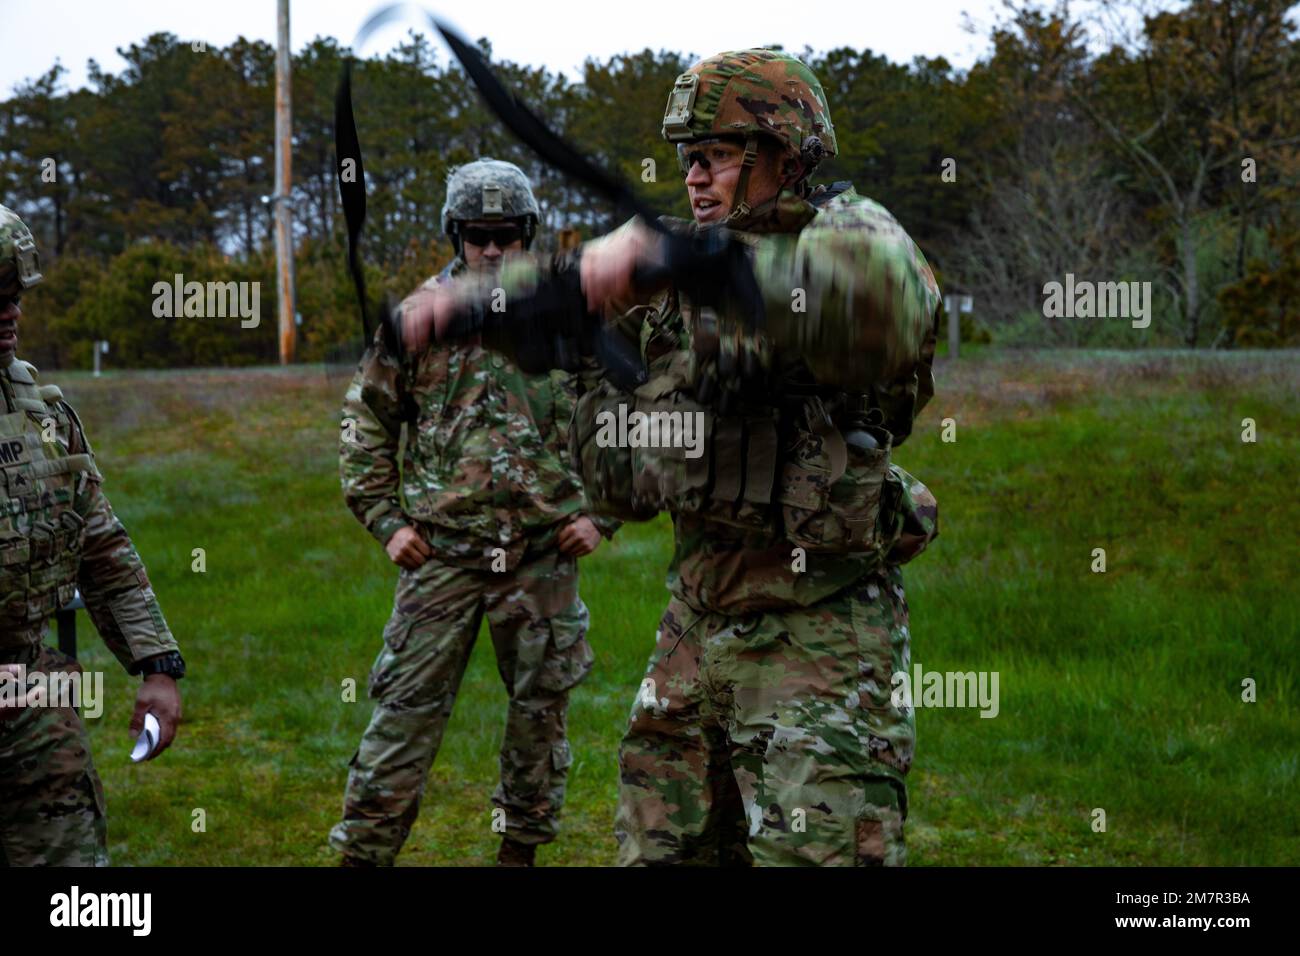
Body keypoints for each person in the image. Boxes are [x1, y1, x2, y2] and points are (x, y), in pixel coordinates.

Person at [405, 50, 942, 866]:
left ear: (785, 155)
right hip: (693, 628)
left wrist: (663, 266)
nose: (695, 178)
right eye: (689, 159)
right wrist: (507, 311)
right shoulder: (668, 271)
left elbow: (880, 304)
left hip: (821, 638)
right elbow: (622, 476)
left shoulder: (851, 235)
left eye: (718, 156)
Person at [330, 159, 616, 867]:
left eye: (507, 235)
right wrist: (384, 519)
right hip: (444, 555)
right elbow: (367, 421)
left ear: (529, 234)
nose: (493, 250)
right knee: (402, 719)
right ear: (456, 235)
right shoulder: (417, 318)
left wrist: (602, 512)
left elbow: (619, 415)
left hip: (542, 555)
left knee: (539, 718)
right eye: (479, 236)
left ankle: (520, 851)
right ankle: (364, 856)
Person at [0, 204, 184, 867]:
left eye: (14, 294)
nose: (9, 313)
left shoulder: (43, 418)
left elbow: (102, 549)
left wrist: (155, 666)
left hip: (28, 697)